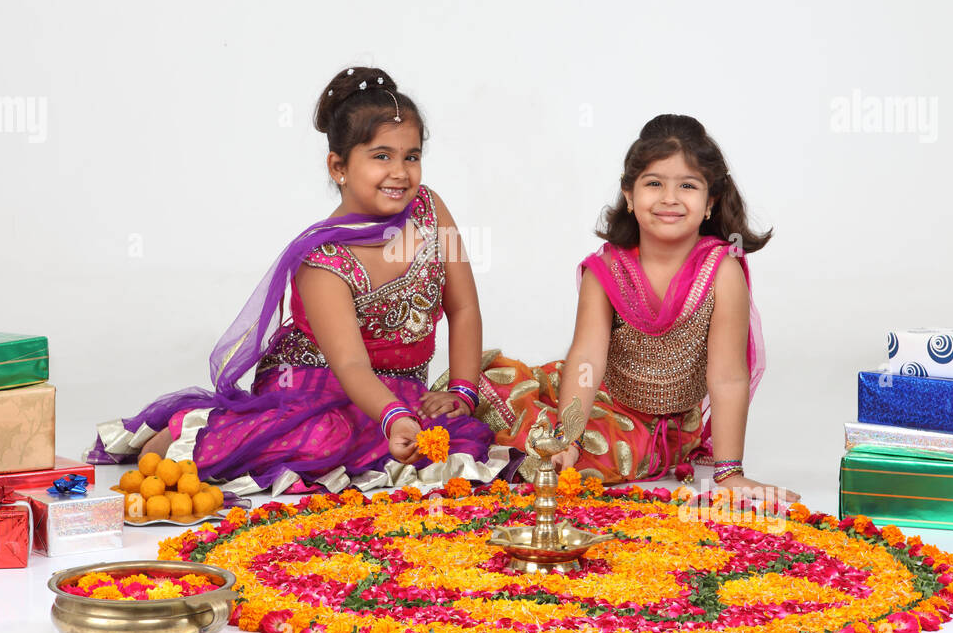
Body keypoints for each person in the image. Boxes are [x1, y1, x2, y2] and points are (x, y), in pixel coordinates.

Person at [86, 67, 512, 496]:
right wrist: (392, 416)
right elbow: (350, 366)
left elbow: (463, 307)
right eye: (381, 156)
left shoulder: (431, 208)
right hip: (314, 384)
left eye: (411, 156)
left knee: (462, 433)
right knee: (327, 440)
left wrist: (462, 390)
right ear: (338, 166)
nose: (400, 172)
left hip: (397, 388)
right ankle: (191, 437)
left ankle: (398, 419)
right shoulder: (322, 258)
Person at [457, 114, 799, 505]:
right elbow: (586, 358)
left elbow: (727, 377)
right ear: (629, 195)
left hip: (653, 427)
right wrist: (567, 436)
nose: (669, 198)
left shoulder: (722, 271)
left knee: (584, 459)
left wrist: (730, 473)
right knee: (490, 391)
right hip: (596, 393)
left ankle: (556, 446)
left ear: (710, 203)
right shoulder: (606, 269)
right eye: (654, 184)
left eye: (687, 186)